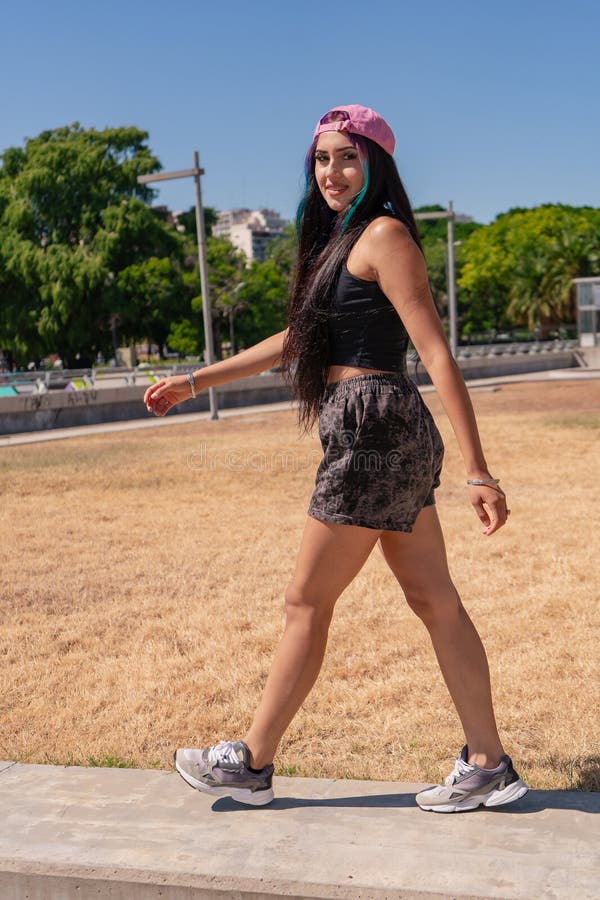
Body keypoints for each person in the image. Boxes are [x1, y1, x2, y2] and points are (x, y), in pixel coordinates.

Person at [143, 104, 528, 814]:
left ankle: (252, 762)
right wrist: (196, 381)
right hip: (376, 429)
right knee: (433, 599)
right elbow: (299, 340)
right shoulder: (338, 246)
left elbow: (435, 351)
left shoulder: (384, 235)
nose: (331, 171)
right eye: (322, 158)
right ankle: (488, 763)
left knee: (305, 602)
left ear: (376, 163)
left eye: (347, 157)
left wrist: (479, 469)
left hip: (374, 428)